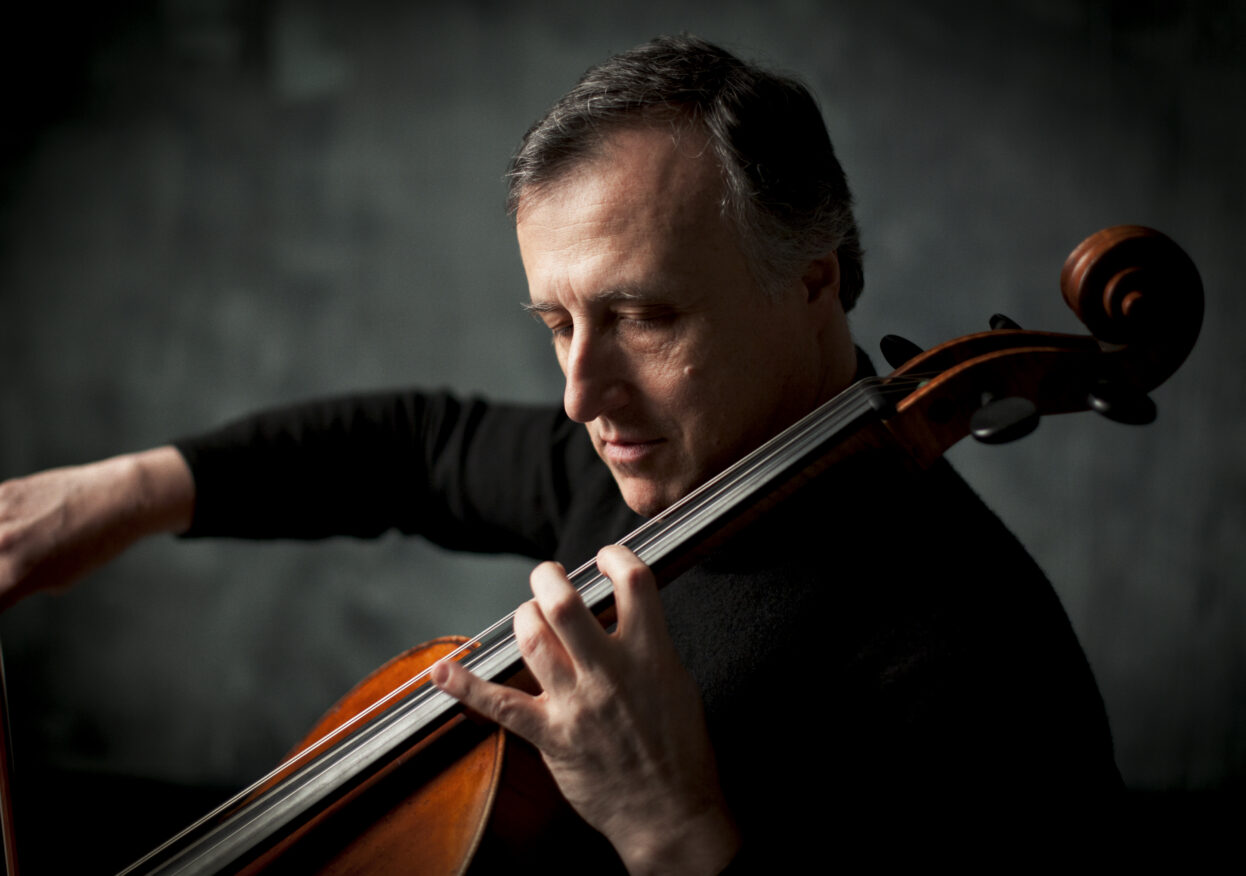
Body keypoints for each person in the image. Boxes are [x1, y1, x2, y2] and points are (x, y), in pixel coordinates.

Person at [0, 36, 1118, 872]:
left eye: (644, 317)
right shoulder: (651, 464)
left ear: (812, 280)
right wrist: (126, 492)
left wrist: (673, 828)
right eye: (557, 324)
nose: (582, 395)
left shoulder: (976, 659)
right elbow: (414, 447)